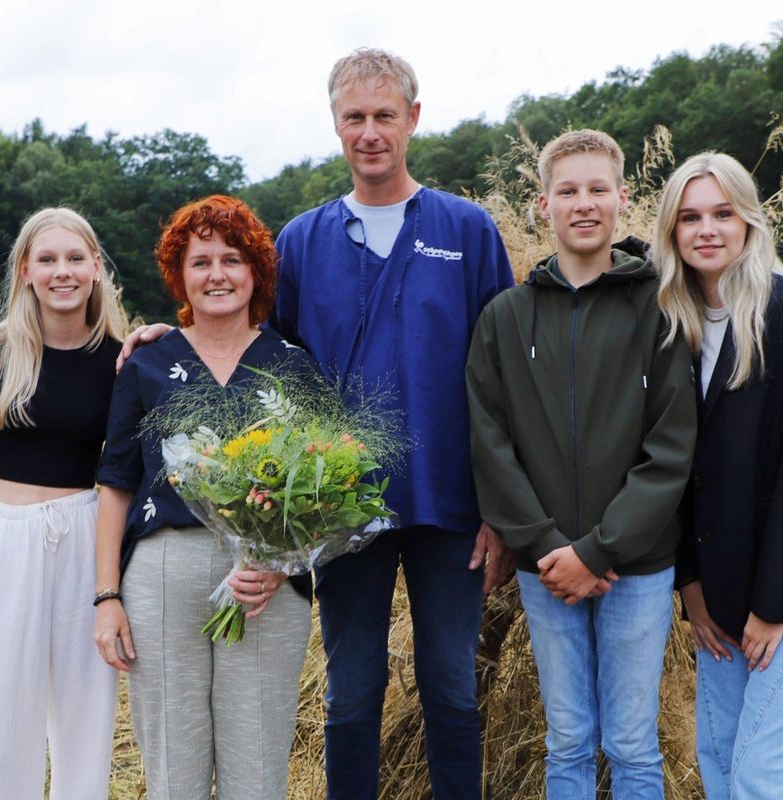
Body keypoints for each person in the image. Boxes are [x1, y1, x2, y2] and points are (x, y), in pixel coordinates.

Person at [273, 48, 515, 799]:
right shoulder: (300, 242)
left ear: (413, 118)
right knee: (350, 696)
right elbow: (267, 363)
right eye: (355, 117)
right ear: (336, 125)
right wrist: (157, 336)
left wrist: (499, 510)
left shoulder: (466, 230)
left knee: (450, 690)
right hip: (342, 508)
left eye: (384, 115)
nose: (370, 131)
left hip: (451, 505)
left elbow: (505, 374)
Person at [466, 129, 697, 799]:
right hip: (548, 569)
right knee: (566, 739)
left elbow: (671, 447)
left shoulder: (660, 307)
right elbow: (490, 441)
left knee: (631, 743)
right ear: (543, 205)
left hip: (638, 565)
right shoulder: (506, 317)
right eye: (568, 191)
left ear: (623, 199)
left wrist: (600, 549)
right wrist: (544, 547)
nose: (584, 204)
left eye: (599, 189)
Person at [93, 195, 313, 800]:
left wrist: (281, 564)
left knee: (259, 770)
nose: (217, 273)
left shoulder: (293, 366)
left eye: (232, 259)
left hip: (265, 583)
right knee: (173, 770)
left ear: (256, 273)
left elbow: (324, 489)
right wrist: (107, 596)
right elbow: (115, 482)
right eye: (201, 261)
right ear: (180, 275)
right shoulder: (147, 363)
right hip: (165, 575)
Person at [0, 207, 127, 799]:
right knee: (0, 713)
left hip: (85, 535)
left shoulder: (124, 361)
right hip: (3, 538)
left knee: (84, 717)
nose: (61, 271)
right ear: (24, 271)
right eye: (47, 259)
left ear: (96, 267)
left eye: (75, 258)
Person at [653, 152, 783, 799]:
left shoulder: (778, 311)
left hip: (776, 596)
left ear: (749, 222)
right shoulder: (671, 326)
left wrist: (772, 605)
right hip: (716, 598)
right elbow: (670, 470)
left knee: (761, 776)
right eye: (690, 216)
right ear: (672, 231)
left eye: (722, 213)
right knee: (722, 764)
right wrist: (691, 587)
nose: (707, 229)